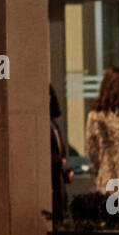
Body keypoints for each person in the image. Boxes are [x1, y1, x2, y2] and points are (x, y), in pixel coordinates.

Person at [48, 84, 70, 219]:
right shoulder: (48, 126)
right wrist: (58, 161)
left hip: (59, 181)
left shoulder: (53, 124)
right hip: (54, 181)